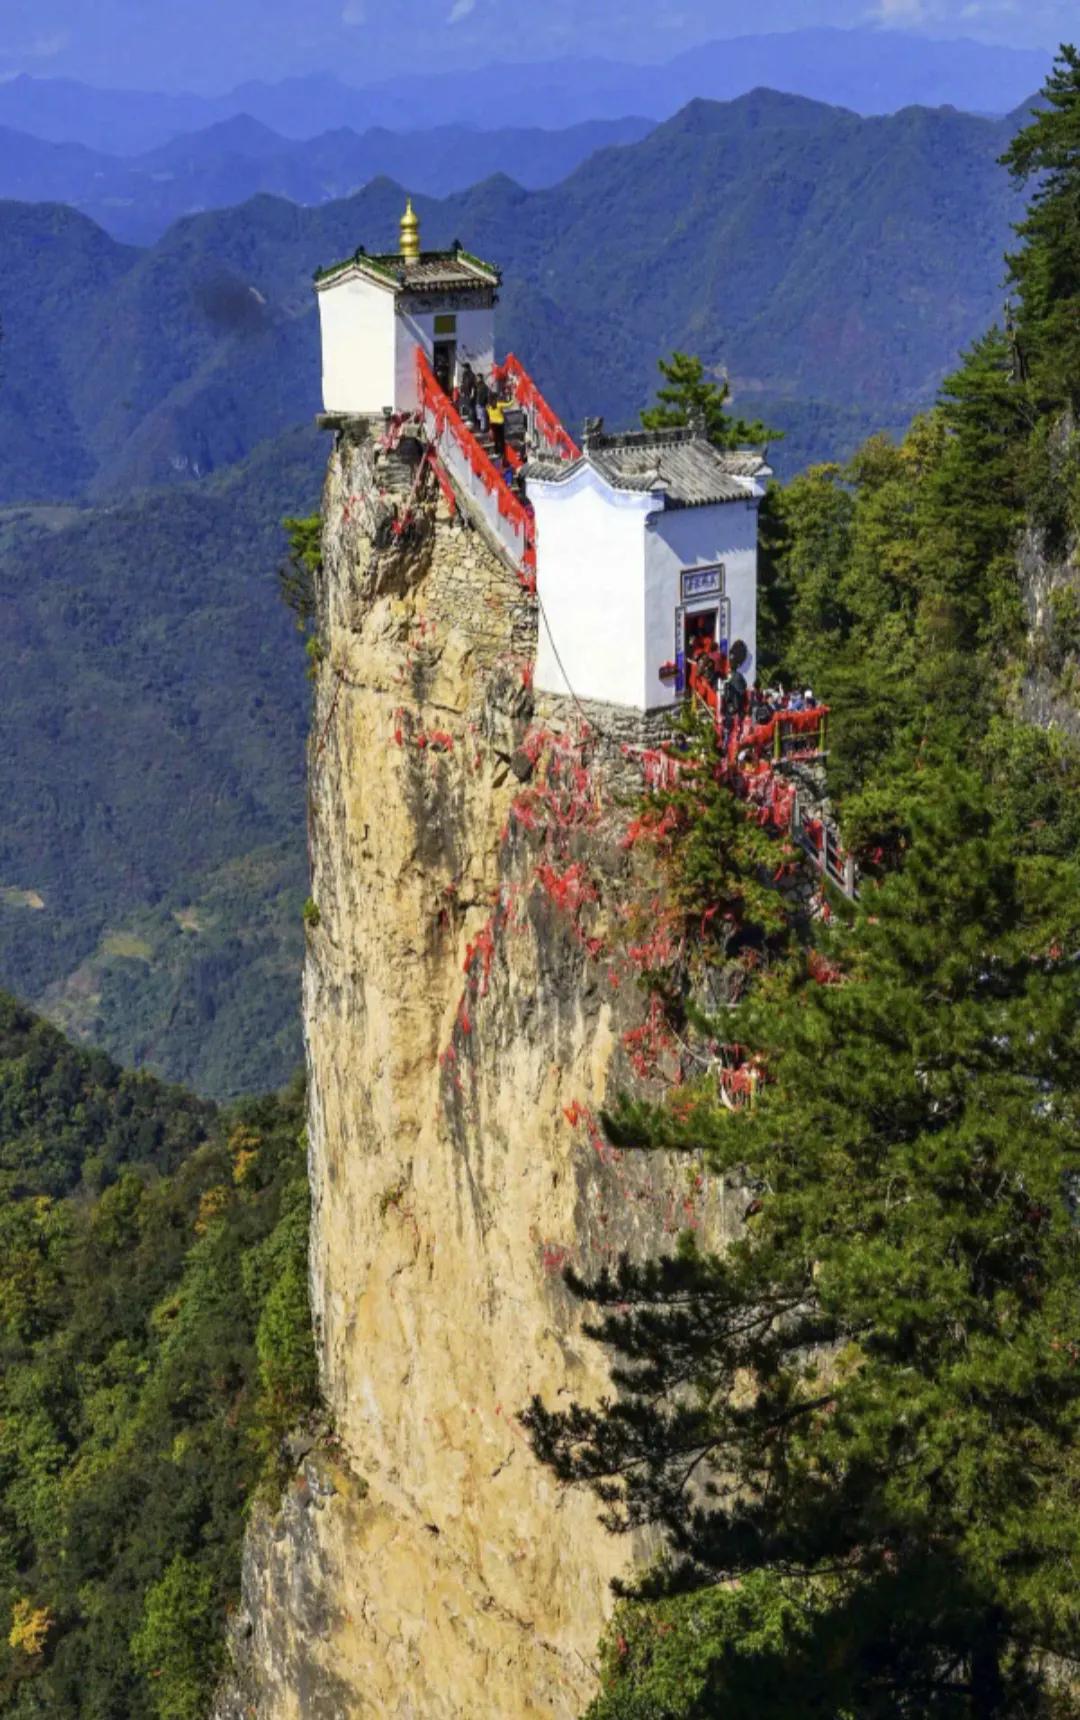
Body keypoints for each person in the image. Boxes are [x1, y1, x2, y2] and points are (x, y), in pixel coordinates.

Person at [488, 392, 506, 458]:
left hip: (494, 423)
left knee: (497, 439)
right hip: (498, 424)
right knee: (499, 439)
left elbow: (490, 415)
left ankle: (498, 452)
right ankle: (500, 452)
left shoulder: (490, 406)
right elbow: (508, 405)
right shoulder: (497, 405)